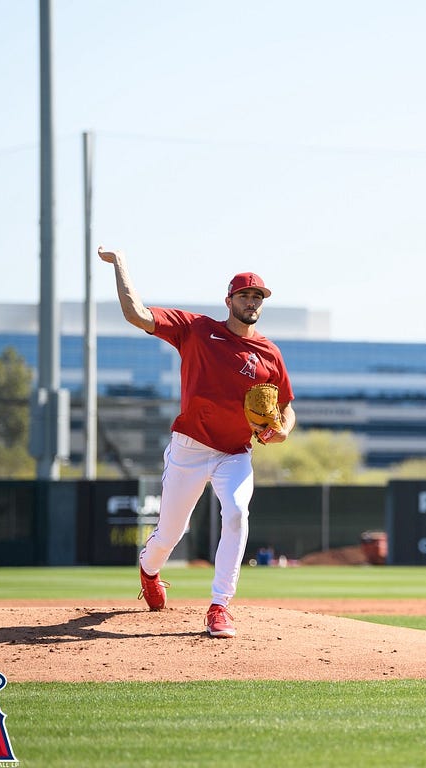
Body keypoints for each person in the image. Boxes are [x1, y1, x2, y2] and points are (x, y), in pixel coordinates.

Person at [98, 247, 296, 637]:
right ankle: (149, 570)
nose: (252, 301)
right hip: (189, 447)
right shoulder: (196, 329)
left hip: (235, 453)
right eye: (245, 295)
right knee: (171, 533)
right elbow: (135, 314)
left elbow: (287, 405)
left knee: (237, 514)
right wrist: (121, 263)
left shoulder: (269, 352)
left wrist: (284, 428)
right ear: (229, 301)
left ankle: (219, 606)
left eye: (258, 297)